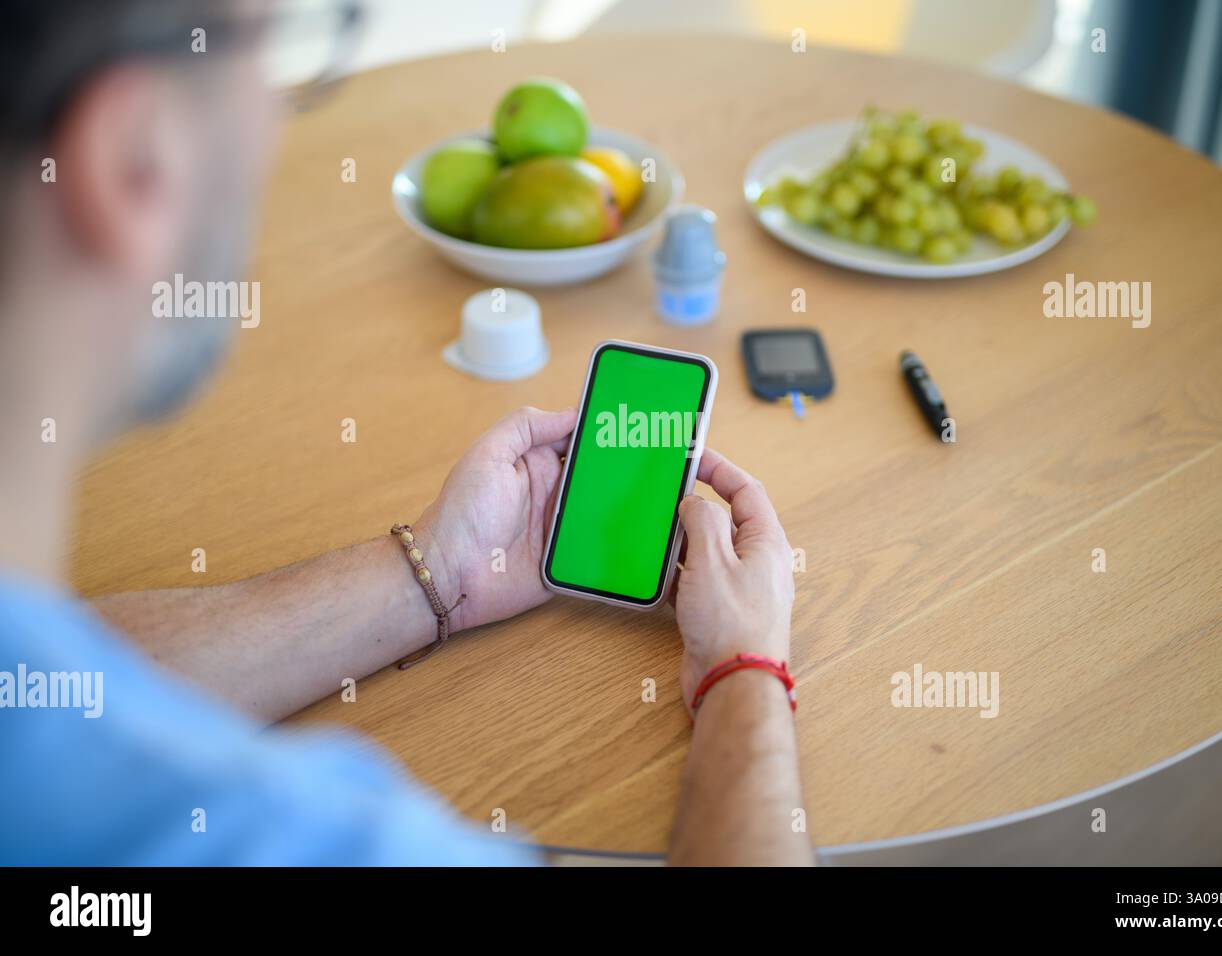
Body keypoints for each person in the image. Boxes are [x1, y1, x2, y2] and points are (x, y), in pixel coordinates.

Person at [0, 0, 813, 866]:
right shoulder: (306, 838)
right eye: (276, 50)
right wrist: (741, 667)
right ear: (133, 155)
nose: (275, 114)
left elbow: (62, 680)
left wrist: (436, 573)